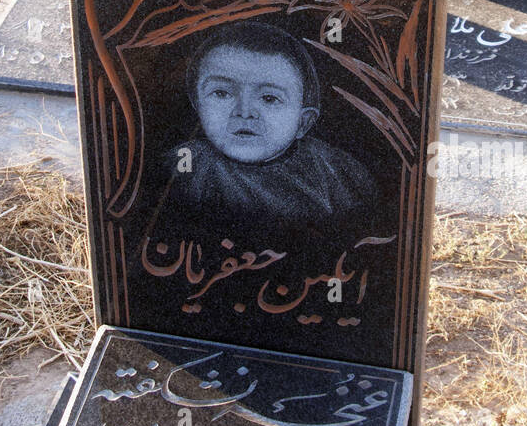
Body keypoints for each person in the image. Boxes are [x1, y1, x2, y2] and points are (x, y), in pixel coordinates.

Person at [146, 21, 378, 259]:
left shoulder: (339, 176)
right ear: (197, 105)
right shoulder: (181, 170)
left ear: (303, 122)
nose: (244, 112)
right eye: (222, 93)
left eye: (269, 98)